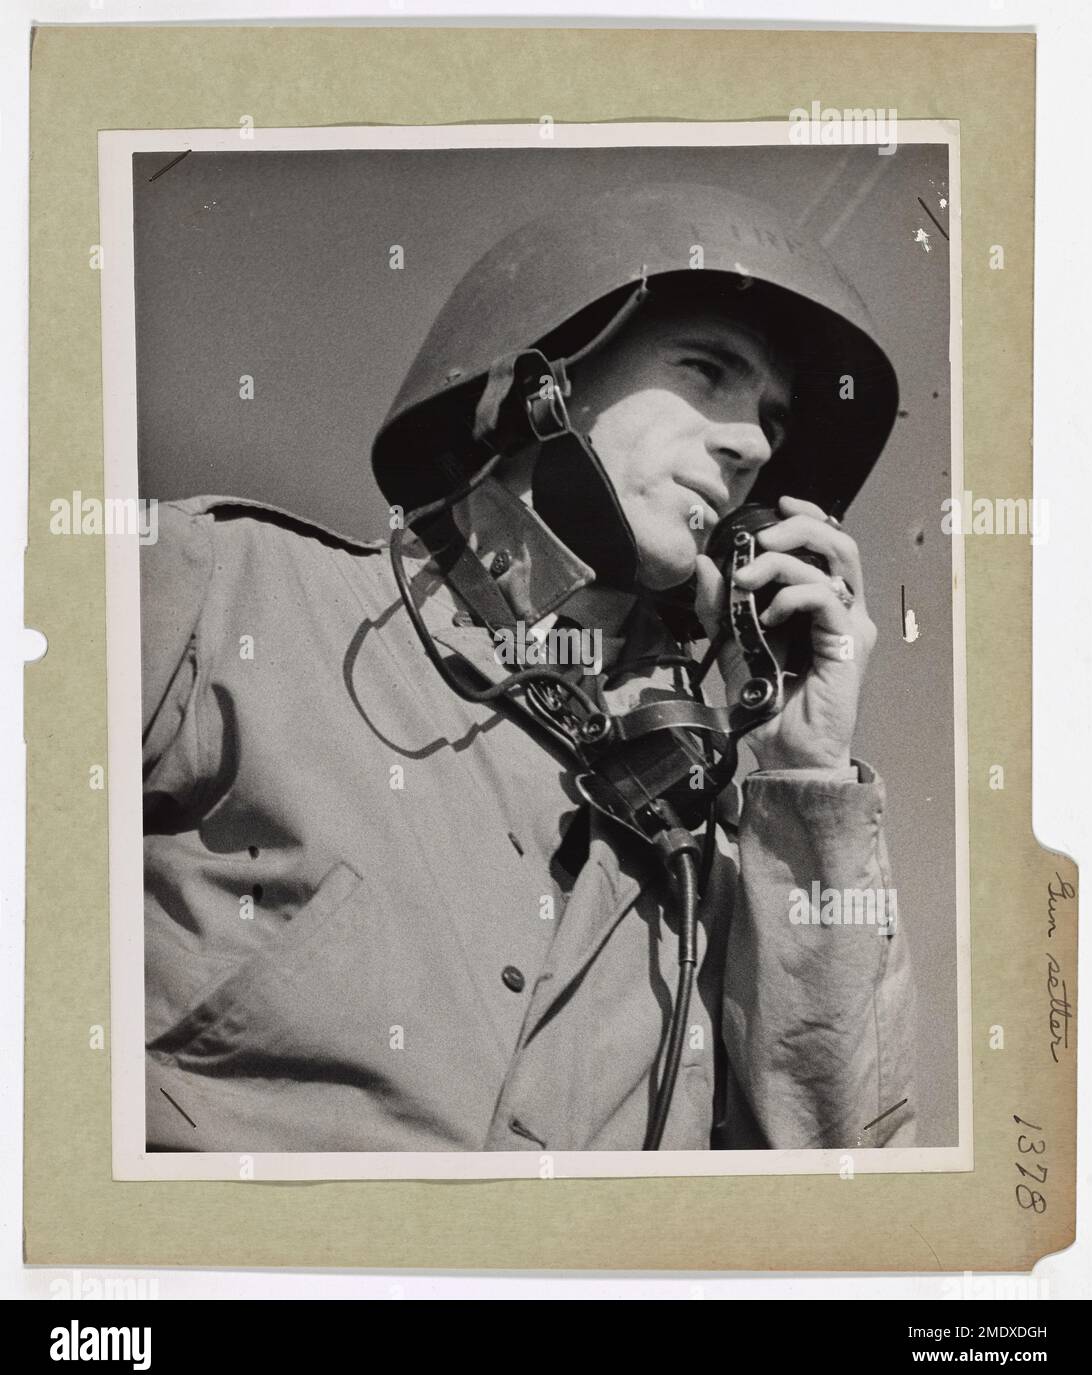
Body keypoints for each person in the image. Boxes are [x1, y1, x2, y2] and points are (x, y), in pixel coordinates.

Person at [142, 183, 916, 1154]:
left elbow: (847, 1182)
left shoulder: (713, 862)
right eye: (706, 371)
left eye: (769, 416)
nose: (753, 442)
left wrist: (806, 781)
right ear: (537, 382)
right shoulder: (228, 590)